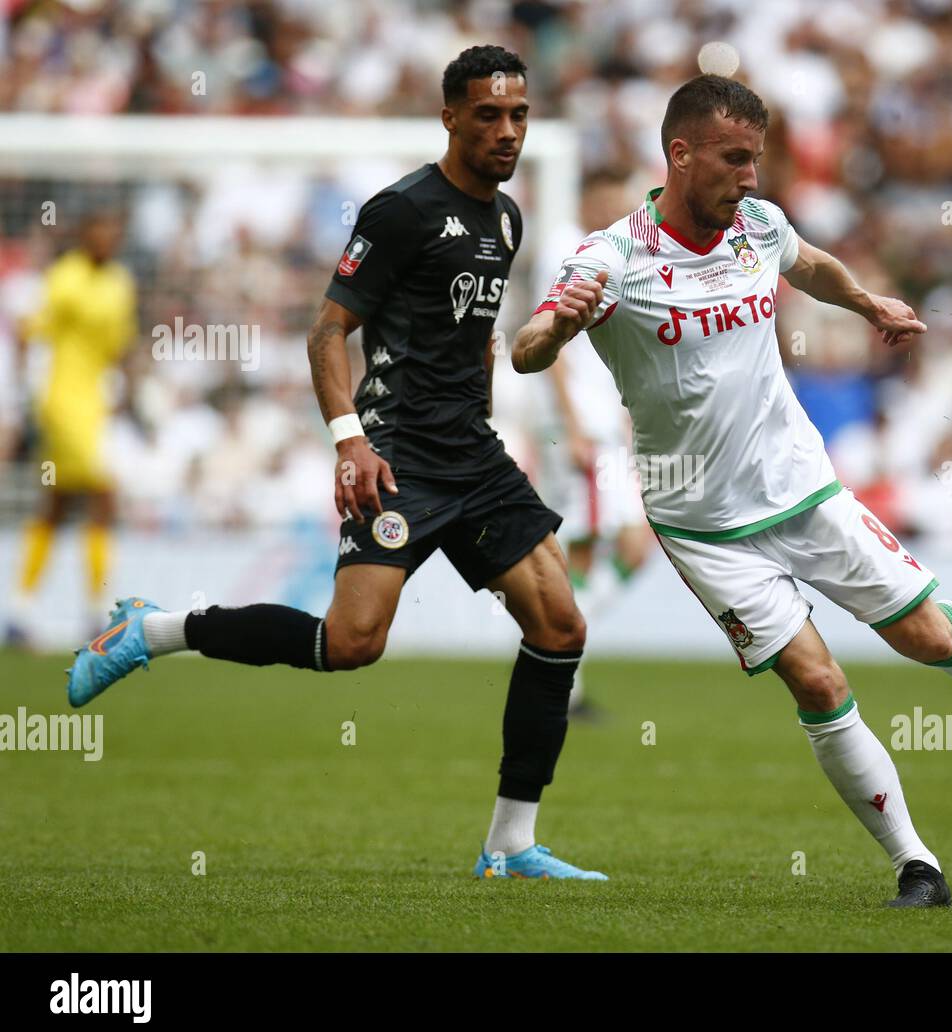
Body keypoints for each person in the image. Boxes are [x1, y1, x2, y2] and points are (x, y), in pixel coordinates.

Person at [512, 75, 952, 907]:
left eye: (757, 160)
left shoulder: (758, 226)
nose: (751, 178)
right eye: (735, 160)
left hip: (802, 488)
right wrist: (557, 324)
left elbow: (810, 265)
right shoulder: (609, 258)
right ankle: (917, 865)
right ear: (680, 153)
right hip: (701, 524)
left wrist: (867, 300)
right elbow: (525, 350)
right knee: (819, 684)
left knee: (923, 635)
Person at [66, 45, 606, 882]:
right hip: (397, 460)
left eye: (520, 115)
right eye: (490, 115)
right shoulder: (399, 212)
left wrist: (486, 422)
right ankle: (153, 629)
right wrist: (350, 440)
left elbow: (475, 341)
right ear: (451, 117)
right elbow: (326, 331)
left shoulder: (508, 220)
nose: (508, 131)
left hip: (474, 458)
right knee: (351, 643)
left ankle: (510, 842)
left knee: (561, 626)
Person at [531, 168, 651, 712]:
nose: (617, 207)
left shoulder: (610, 251)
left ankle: (553, 650)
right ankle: (556, 665)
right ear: (587, 195)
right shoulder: (566, 249)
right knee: (601, 547)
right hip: (582, 426)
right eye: (609, 197)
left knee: (619, 545)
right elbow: (547, 336)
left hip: (602, 424)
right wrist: (573, 424)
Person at [8, 209, 135, 646]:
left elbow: (120, 344)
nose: (107, 240)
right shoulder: (65, 278)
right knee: (103, 493)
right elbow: (29, 330)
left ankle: (20, 611)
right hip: (63, 403)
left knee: (58, 506)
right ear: (85, 235)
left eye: (113, 232)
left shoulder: (120, 283)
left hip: (97, 405)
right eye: (99, 231)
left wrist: (126, 392)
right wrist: (25, 391)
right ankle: (97, 613)